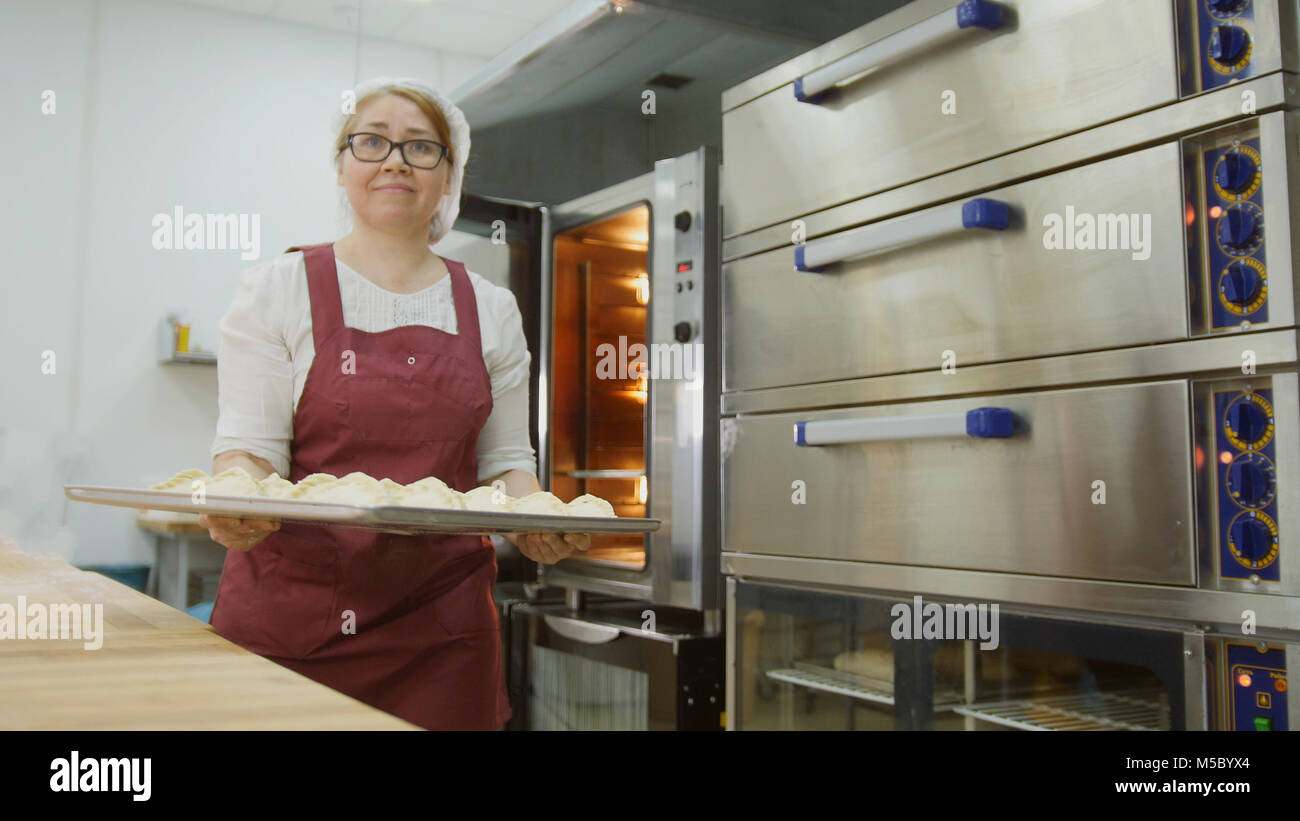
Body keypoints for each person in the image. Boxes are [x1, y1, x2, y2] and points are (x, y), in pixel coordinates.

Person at [200, 77, 588, 731]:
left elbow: (506, 466)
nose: (395, 160)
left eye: (420, 147)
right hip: (294, 627)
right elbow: (251, 451)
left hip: (442, 639)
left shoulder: (492, 310)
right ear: (342, 163)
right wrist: (238, 499)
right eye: (372, 141)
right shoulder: (276, 290)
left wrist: (534, 518)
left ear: (447, 178)